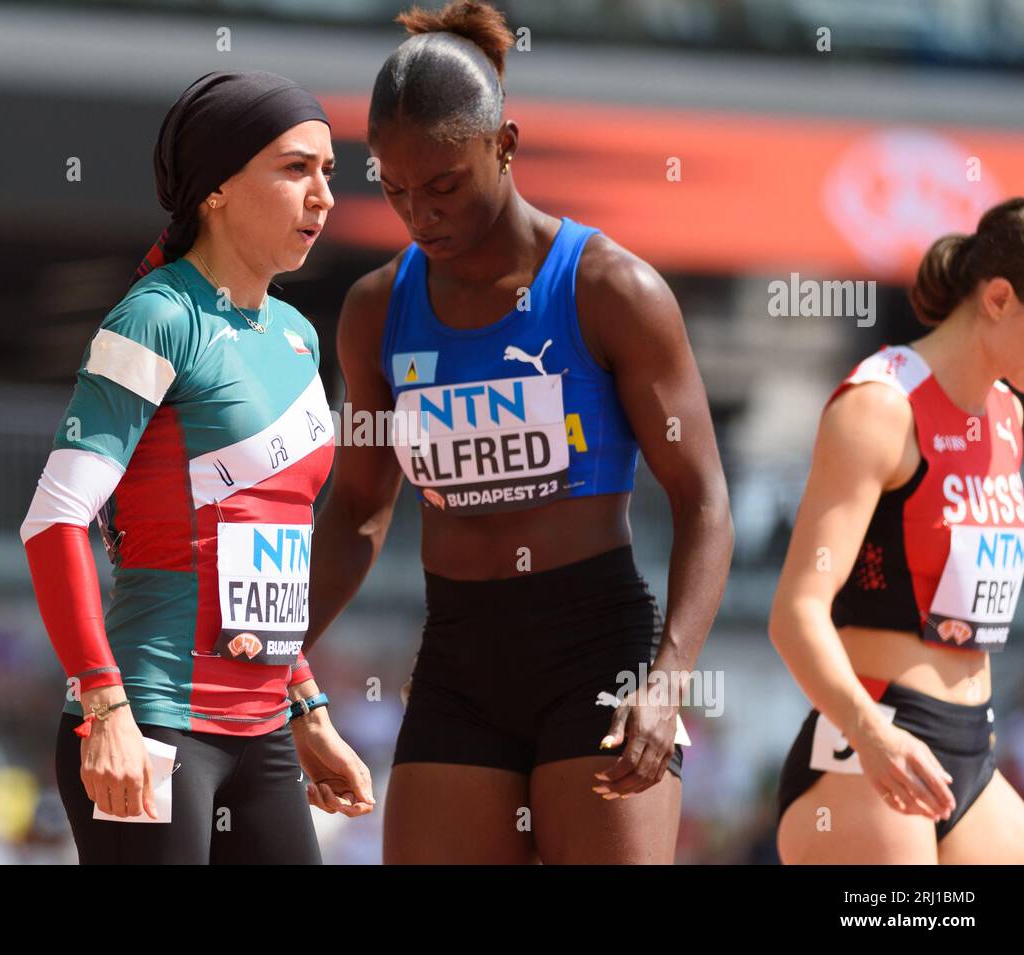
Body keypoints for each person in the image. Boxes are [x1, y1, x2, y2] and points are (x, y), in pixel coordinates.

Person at [304, 1, 733, 864]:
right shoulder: (377, 310)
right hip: (460, 660)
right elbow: (356, 509)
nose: (419, 215)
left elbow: (704, 500)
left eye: (444, 185)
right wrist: (277, 658)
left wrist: (667, 677)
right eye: (393, 189)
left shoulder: (612, 289)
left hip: (599, 657)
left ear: (504, 145)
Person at [21, 70, 373, 865]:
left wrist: (309, 708)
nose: (322, 195)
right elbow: (54, 520)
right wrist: (102, 706)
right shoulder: (157, 316)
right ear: (215, 189)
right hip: (149, 722)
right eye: (295, 169)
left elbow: (264, 550)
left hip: (264, 736)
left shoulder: (296, 336)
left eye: (329, 172)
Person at [771, 197, 1024, 864]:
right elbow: (795, 613)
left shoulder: (1009, 415)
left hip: (971, 749)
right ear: (998, 297)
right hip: (872, 740)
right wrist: (871, 735)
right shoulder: (880, 406)